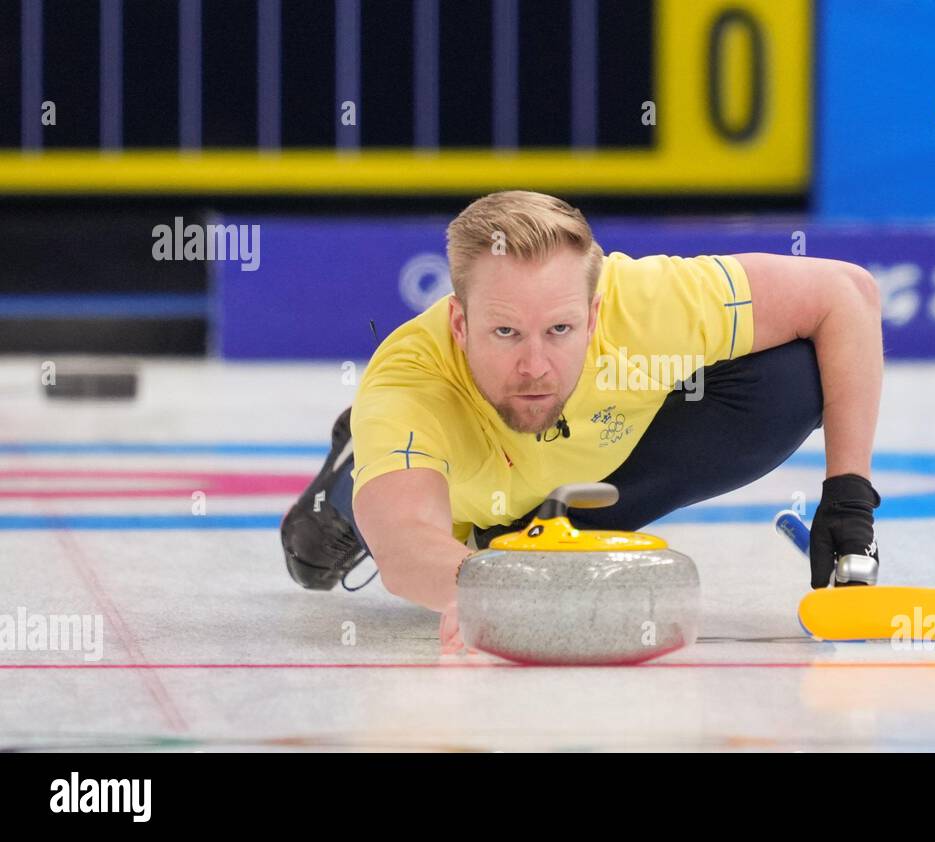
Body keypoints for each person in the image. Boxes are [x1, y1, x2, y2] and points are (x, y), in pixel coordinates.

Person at [281, 190, 883, 653]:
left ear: (595, 317)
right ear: (460, 326)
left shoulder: (640, 305)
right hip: (460, 498)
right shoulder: (411, 381)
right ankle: (362, 451)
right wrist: (489, 588)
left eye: (560, 330)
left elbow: (847, 293)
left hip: (591, 469)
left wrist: (849, 499)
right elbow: (408, 544)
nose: (535, 366)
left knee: (795, 379)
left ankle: (522, 538)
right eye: (505, 332)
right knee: (311, 554)